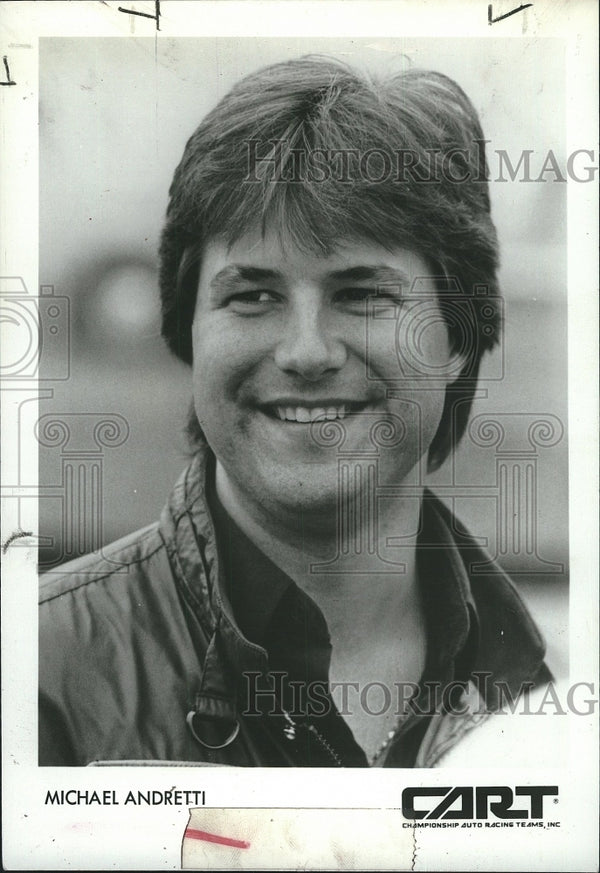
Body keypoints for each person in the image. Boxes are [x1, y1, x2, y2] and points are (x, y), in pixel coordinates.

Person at [39, 55, 551, 767]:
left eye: (362, 294)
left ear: (460, 338)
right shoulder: (38, 677)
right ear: (189, 328)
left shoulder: (549, 708)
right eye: (252, 295)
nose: (305, 351)